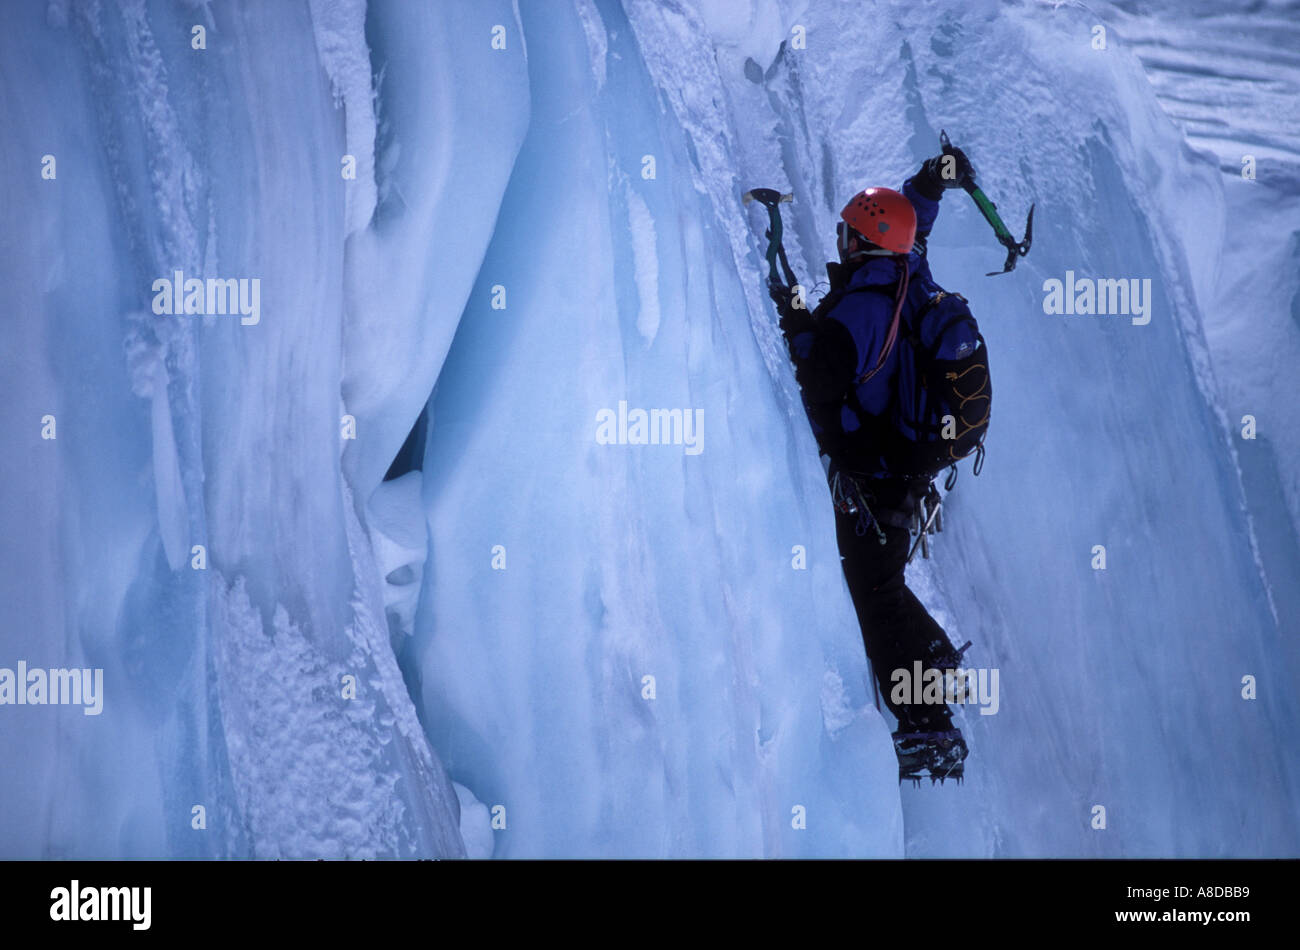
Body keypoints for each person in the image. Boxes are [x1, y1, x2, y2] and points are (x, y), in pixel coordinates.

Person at [773, 147, 991, 782]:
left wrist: (794, 320)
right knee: (883, 582)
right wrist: (930, 181)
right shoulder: (910, 270)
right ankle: (935, 668)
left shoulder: (865, 306)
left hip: (878, 477)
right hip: (908, 469)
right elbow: (912, 219)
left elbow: (820, 376)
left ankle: (928, 724)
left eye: (846, 231)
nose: (839, 239)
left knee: (873, 589)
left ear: (861, 240)